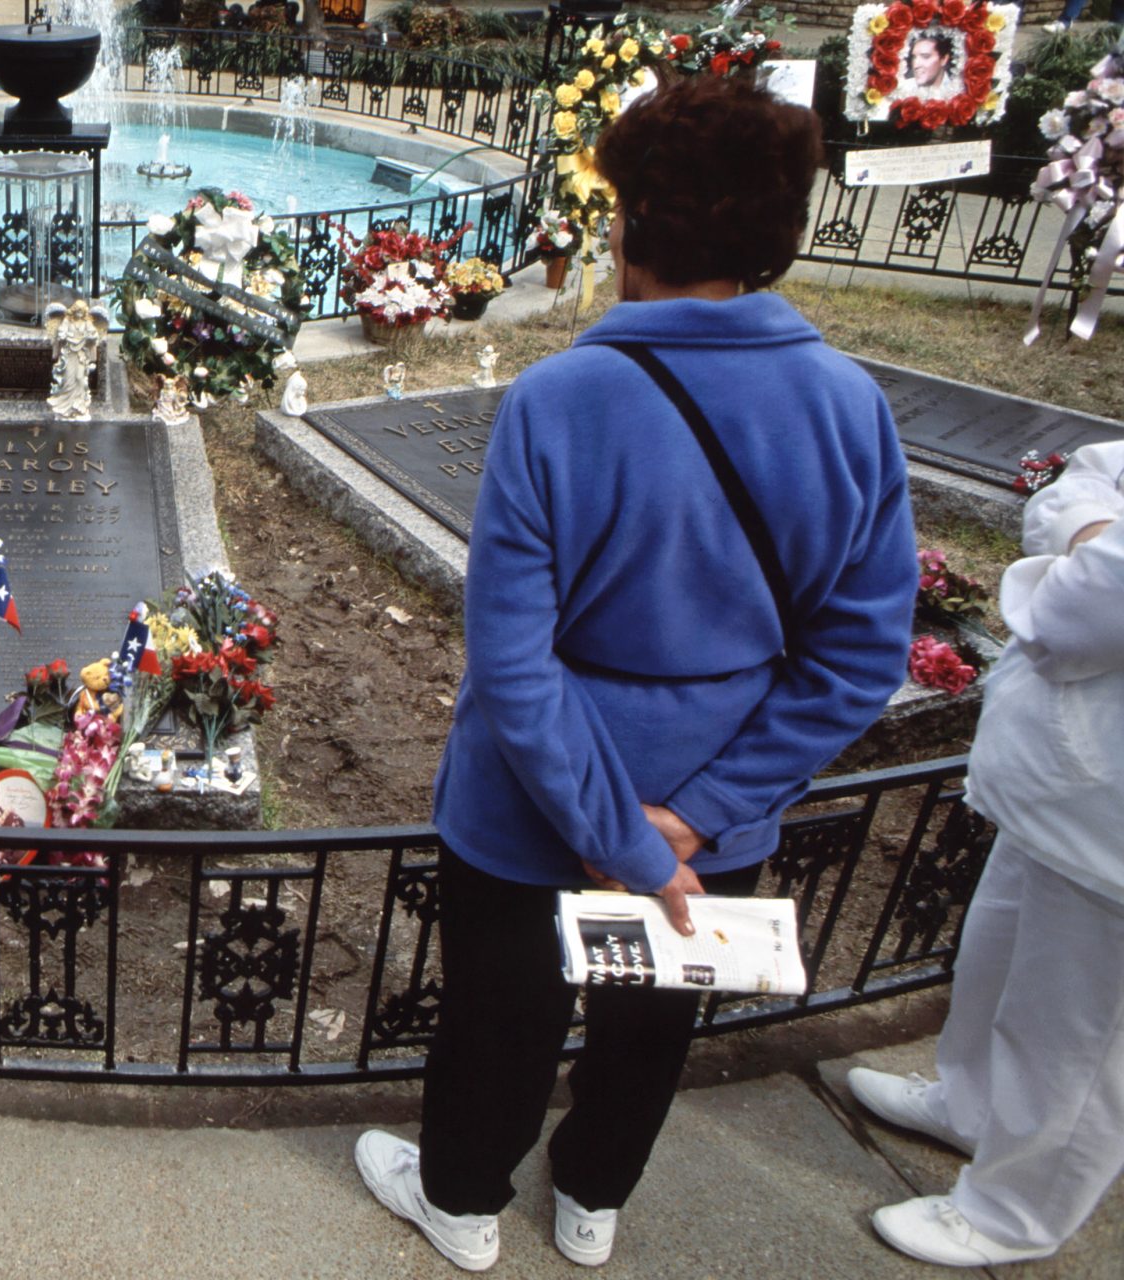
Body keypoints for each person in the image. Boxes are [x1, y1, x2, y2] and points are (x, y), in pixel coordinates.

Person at [353, 74, 917, 1272]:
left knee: (502, 1012)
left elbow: (515, 661)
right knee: (654, 1013)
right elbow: (860, 654)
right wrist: (692, 821)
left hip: (533, 800)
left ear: (635, 224)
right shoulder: (849, 406)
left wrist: (616, 834)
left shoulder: (562, 399)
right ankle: (593, 1197)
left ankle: (462, 1203)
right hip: (717, 806)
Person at [852, 442, 1124, 1268]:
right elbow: (1088, 474)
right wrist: (1090, 529)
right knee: (998, 961)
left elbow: (1073, 617)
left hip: (1108, 825)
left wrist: (1085, 537)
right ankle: (970, 1106)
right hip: (1056, 779)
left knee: (1082, 1036)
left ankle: (1015, 1212)